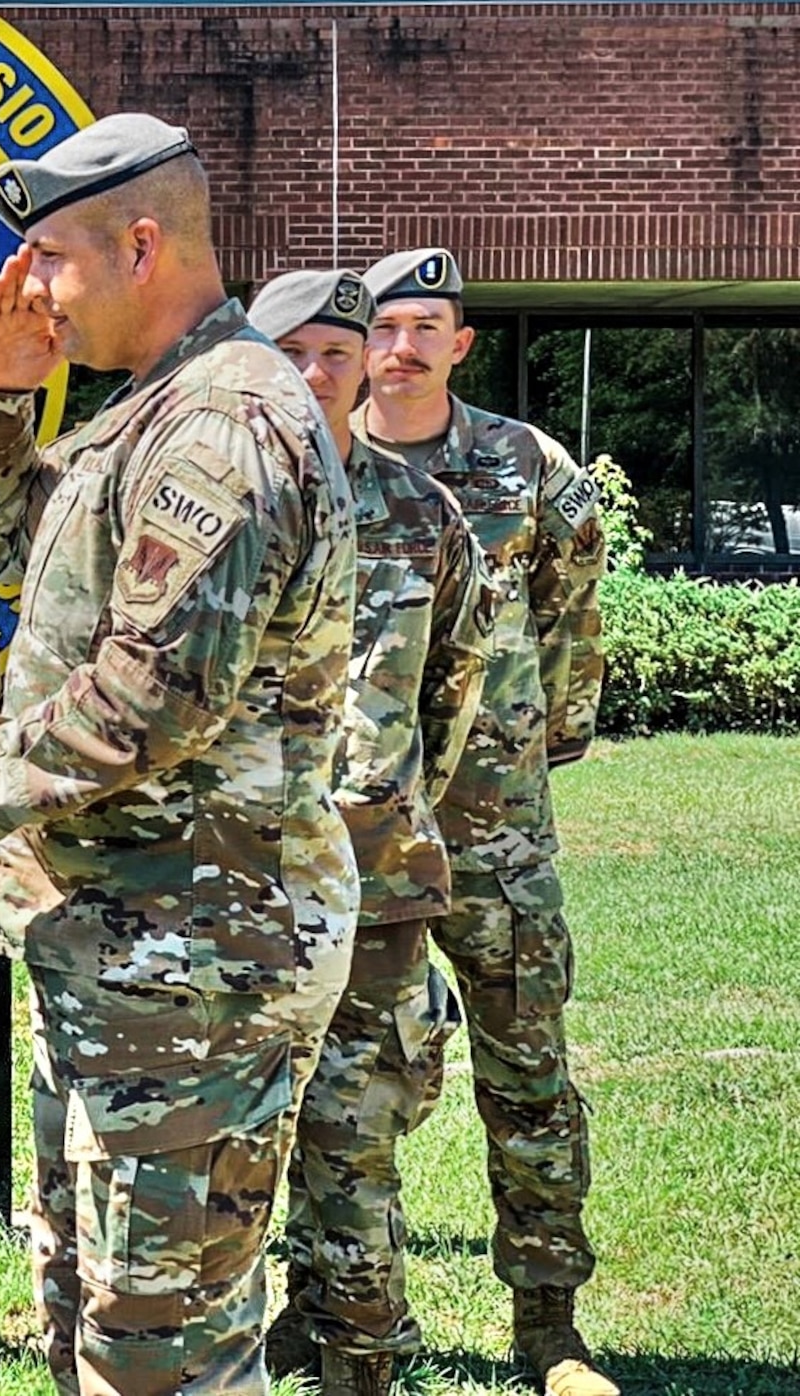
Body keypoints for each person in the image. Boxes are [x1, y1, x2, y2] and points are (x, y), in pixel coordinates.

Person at [0, 113, 361, 1396]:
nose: (29, 285)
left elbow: (146, 707)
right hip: (120, 942)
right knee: (97, 1318)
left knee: (165, 1353)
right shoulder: (149, 411)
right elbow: (23, 554)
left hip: (195, 952)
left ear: (140, 245)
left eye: (47, 260)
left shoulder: (224, 426)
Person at [357, 248, 614, 1396]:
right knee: (344, 1079)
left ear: (460, 344)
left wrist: (550, 725)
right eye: (384, 326)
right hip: (357, 831)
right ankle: (340, 1314)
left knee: (525, 1065)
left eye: (427, 327)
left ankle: (547, 1327)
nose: (401, 346)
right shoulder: (316, 464)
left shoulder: (522, 462)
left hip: (496, 825)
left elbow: (572, 591)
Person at [248, 270, 491, 1396]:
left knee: (355, 1143)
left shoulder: (423, 516)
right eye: (289, 353)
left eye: (334, 355)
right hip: (225, 888)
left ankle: (356, 1358)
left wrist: (381, 808)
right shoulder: (203, 505)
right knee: (214, 1154)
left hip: (370, 883)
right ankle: (229, 1354)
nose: (313, 375)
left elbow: (451, 692)